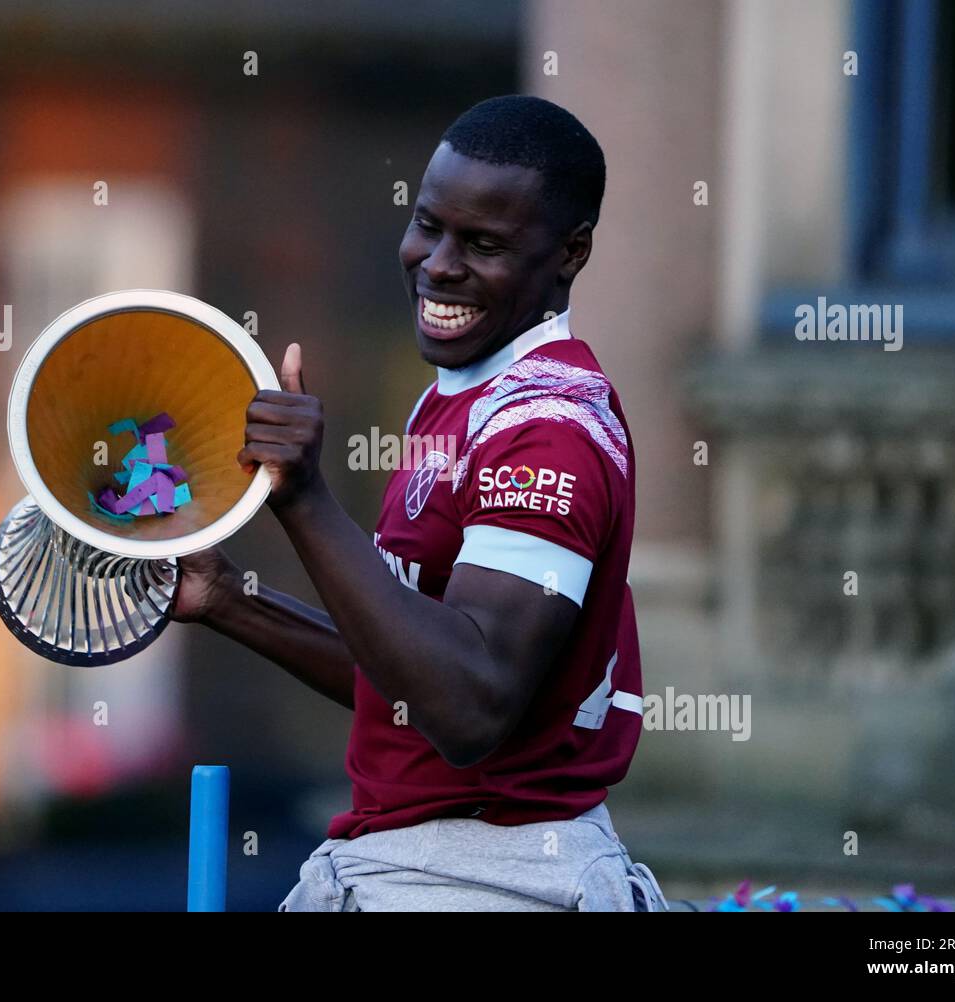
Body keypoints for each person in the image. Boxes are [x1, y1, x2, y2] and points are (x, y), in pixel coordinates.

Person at [171, 94, 666, 912]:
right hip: (414, 870)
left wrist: (304, 501)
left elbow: (468, 705)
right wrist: (229, 601)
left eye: (483, 244)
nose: (437, 264)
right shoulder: (462, 397)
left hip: (487, 881)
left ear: (569, 253)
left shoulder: (550, 432)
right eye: (428, 225)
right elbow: (408, 675)